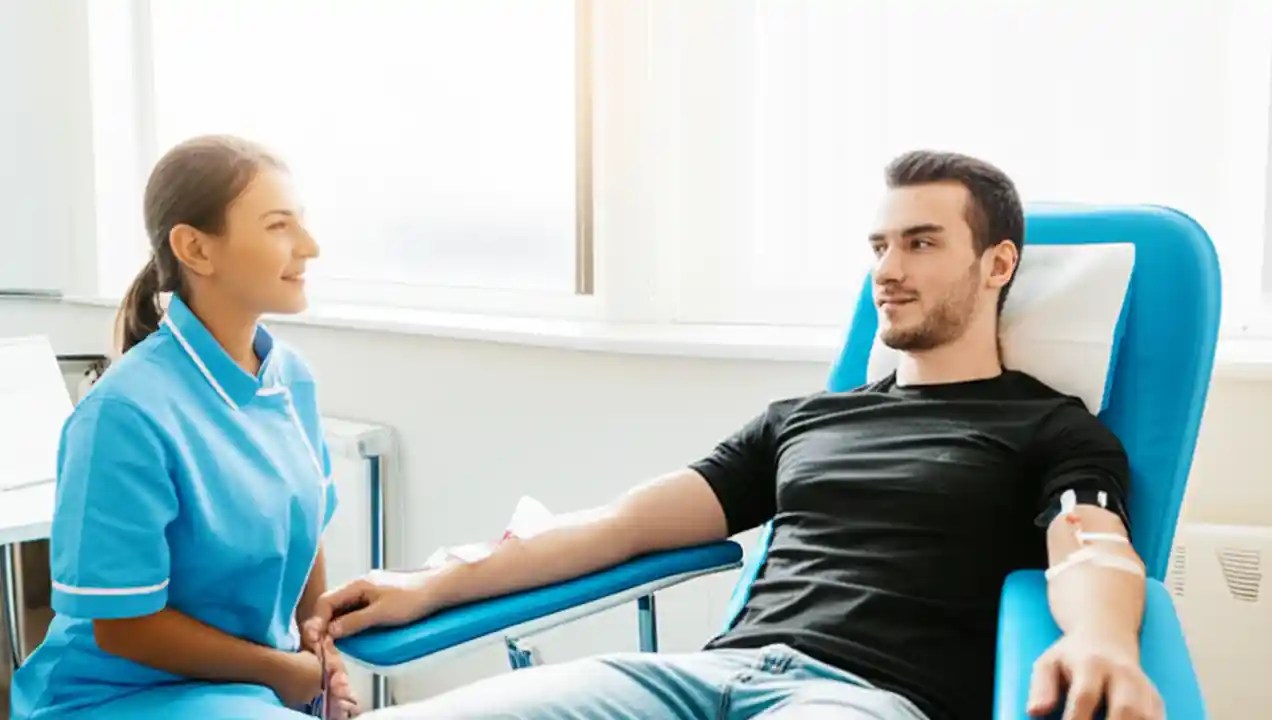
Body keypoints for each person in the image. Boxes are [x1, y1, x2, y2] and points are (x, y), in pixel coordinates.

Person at [307, 151, 1163, 720]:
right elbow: (622, 526)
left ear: (998, 263)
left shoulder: (1049, 426)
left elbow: (1090, 546)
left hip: (861, 700)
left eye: (921, 243)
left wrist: (1100, 641)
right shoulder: (804, 421)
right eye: (879, 246)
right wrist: (433, 584)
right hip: (698, 681)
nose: (888, 271)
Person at [10, 135, 359, 719]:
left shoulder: (291, 378)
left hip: (248, 683)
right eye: (279, 225)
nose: (310, 246)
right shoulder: (122, 413)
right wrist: (282, 672)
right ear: (195, 248)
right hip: (115, 694)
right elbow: (125, 627)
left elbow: (308, 527)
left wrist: (320, 660)